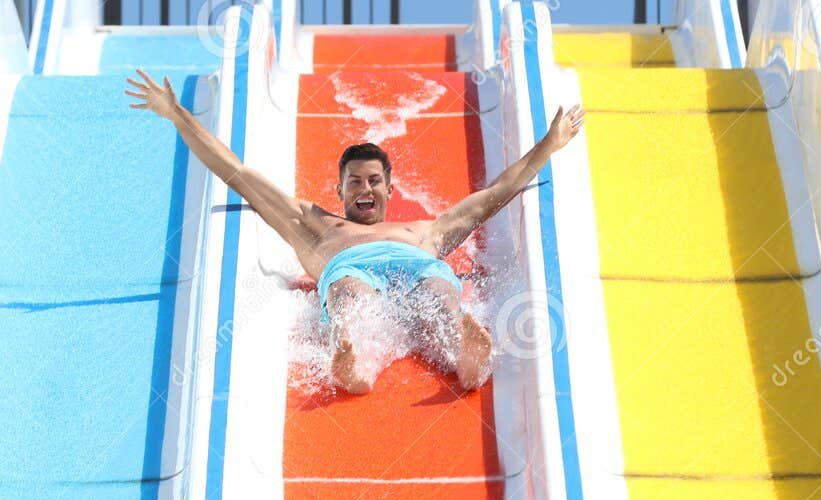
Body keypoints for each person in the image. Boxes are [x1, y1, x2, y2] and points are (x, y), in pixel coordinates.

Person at [125, 68, 584, 393]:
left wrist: (550, 143)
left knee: (437, 293)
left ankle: (463, 347)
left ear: (389, 187)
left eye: (374, 180)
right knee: (347, 293)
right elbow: (238, 173)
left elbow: (493, 195)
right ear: (340, 190)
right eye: (354, 182)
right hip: (349, 271)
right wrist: (178, 115)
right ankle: (353, 356)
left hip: (419, 265)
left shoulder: (425, 230)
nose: (365, 188)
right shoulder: (316, 226)